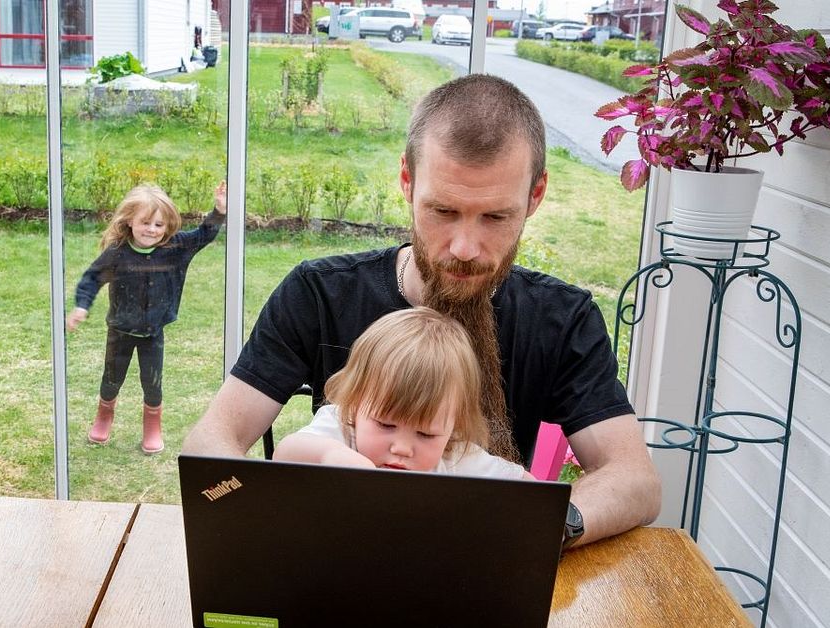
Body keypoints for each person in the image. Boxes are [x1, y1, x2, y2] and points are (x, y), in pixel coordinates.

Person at [183, 74, 660, 547]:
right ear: (407, 181)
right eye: (443, 211)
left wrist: (547, 528)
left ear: (535, 196)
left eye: (495, 217)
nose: (465, 247)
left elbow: (635, 479)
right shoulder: (318, 294)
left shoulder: (562, 319)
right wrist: (259, 522)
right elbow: (212, 443)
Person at [274, 307, 533, 479]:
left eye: (425, 434)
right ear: (356, 401)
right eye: (386, 424)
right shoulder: (341, 427)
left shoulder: (453, 456)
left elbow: (529, 488)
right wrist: (328, 454)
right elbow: (285, 452)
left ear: (455, 425)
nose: (402, 448)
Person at [67, 181, 227, 454]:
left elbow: (204, 234)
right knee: (111, 379)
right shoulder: (117, 253)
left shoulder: (175, 248)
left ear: (167, 227)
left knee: (152, 382)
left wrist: (219, 211)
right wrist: (82, 306)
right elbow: (91, 279)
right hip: (120, 331)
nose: (152, 230)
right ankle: (103, 417)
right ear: (129, 220)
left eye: (158, 225)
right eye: (145, 223)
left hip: (153, 332)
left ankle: (152, 426)